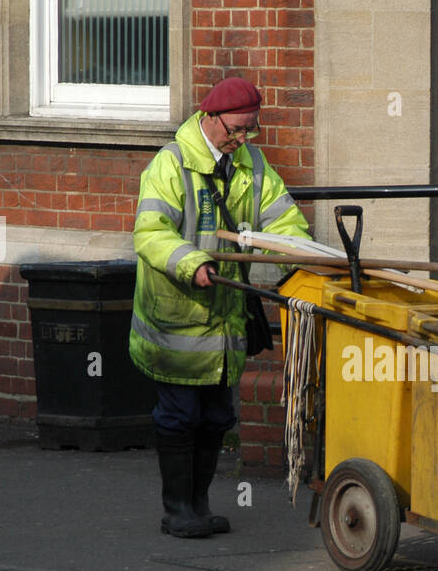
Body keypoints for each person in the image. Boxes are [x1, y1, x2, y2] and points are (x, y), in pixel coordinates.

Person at [131, 77, 312, 538]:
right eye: (235, 129)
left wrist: (306, 257)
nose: (242, 140)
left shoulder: (250, 163)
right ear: (210, 118)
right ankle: (176, 511)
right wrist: (192, 263)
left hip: (223, 322)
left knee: (214, 418)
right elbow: (151, 233)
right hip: (177, 319)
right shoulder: (169, 165)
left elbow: (281, 219)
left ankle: (198, 504)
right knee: (179, 417)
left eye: (250, 130)